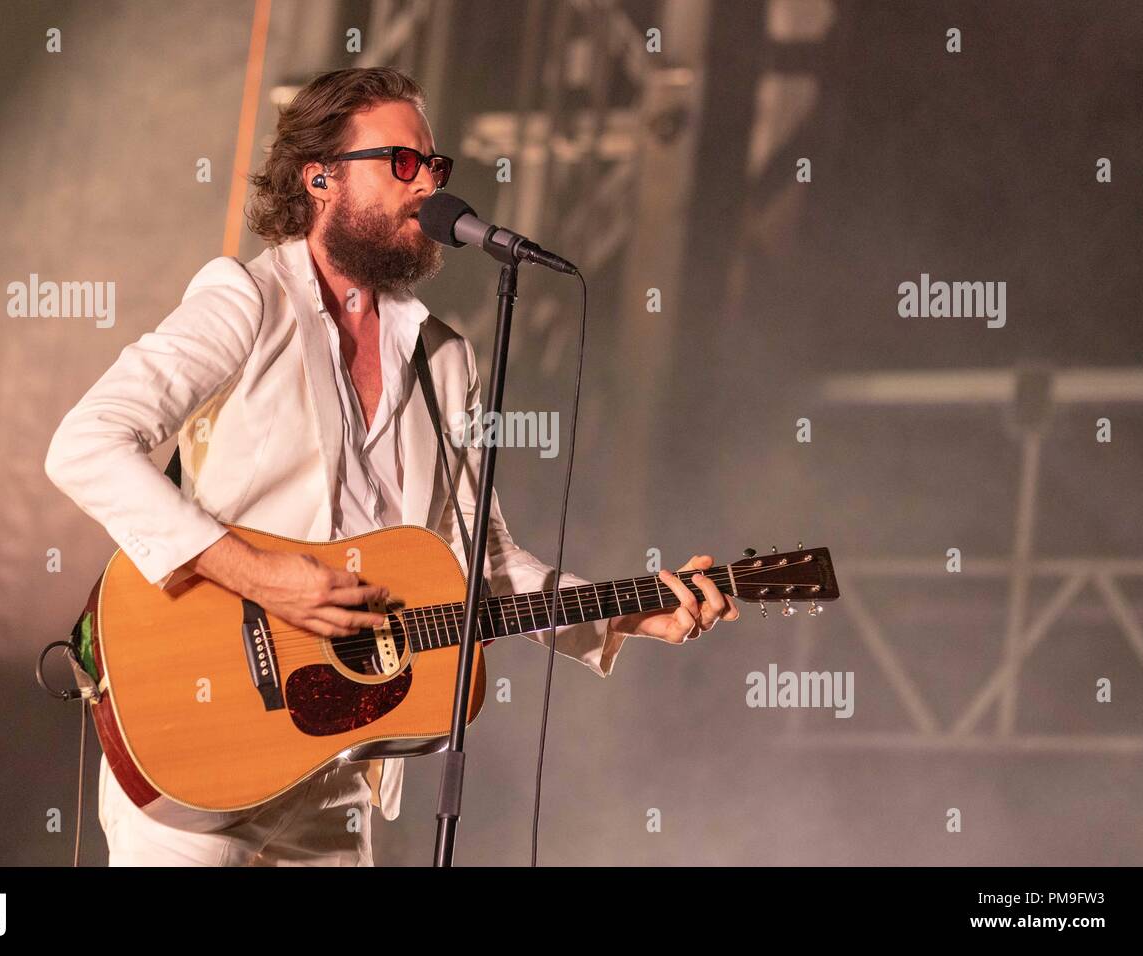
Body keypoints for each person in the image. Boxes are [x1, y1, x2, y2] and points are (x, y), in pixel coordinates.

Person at [44, 67, 738, 866]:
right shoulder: (246, 300)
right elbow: (86, 444)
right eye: (402, 163)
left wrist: (624, 613)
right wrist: (266, 577)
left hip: (341, 772)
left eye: (435, 166)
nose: (429, 187)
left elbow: (486, 563)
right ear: (320, 178)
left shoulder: (445, 358)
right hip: (204, 746)